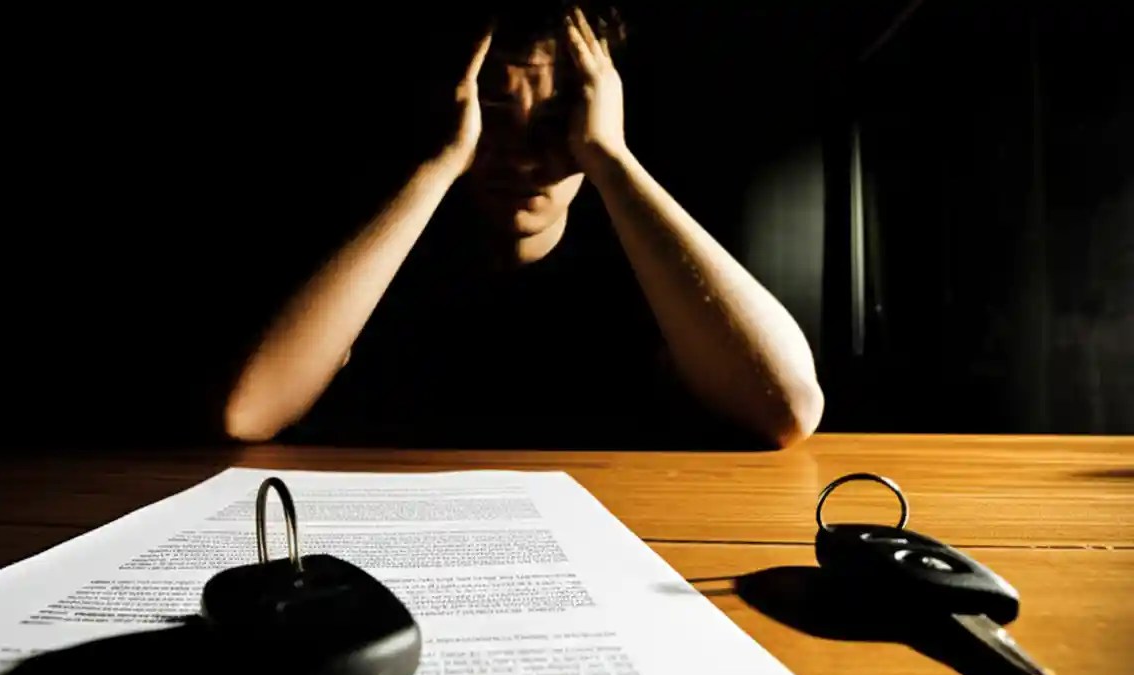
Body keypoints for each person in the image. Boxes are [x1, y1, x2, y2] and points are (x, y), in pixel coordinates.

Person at [224, 3, 824, 450]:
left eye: (558, 121)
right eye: (495, 118)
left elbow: (788, 406)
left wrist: (611, 157)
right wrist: (438, 168)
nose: (522, 157)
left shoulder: (641, 258)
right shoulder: (384, 256)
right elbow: (248, 412)